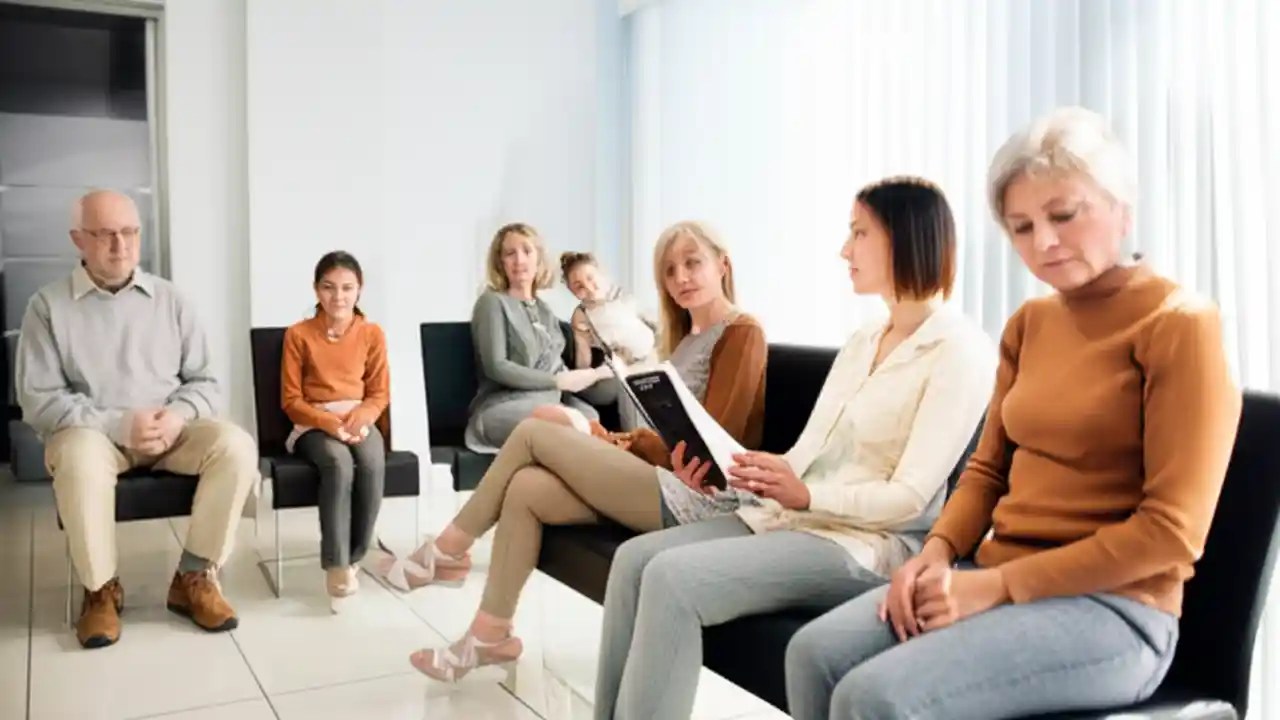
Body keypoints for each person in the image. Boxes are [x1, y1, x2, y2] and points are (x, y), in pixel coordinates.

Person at [784, 107, 1242, 720]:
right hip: (994, 576)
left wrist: (994, 586)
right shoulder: (1032, 323)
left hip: (1116, 613)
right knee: (813, 653)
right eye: (1021, 227)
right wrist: (937, 554)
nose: (1043, 242)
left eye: (1063, 215)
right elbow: (987, 472)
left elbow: (1172, 533)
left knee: (875, 699)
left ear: (1122, 207)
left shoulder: (1180, 325)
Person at [592, 178, 997, 720]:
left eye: (858, 233)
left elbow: (910, 499)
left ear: (904, 238)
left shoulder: (960, 351)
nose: (844, 250)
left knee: (671, 579)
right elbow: (805, 454)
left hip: (868, 544)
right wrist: (727, 469)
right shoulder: (863, 341)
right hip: (796, 517)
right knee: (633, 559)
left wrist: (805, 496)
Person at [404, 220, 768, 681]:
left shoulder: (742, 332)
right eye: (670, 270)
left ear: (723, 265)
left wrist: (597, 435)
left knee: (536, 433)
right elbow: (667, 439)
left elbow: (711, 446)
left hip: (703, 499)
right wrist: (609, 436)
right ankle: (489, 635)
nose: (681, 278)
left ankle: (445, 552)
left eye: (692, 263)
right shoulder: (686, 340)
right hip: (665, 479)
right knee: (527, 487)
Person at [15, 190, 259, 649]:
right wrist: (116, 425)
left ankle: (194, 577)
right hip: (97, 437)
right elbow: (39, 400)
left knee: (236, 445)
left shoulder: (171, 300)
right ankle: (101, 591)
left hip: (171, 433)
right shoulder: (46, 307)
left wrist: (179, 415)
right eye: (105, 234)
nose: (120, 245)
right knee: (79, 454)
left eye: (129, 232)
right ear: (78, 240)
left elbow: (205, 382)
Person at [281, 251, 389, 611]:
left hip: (358, 417)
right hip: (313, 422)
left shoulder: (372, 334)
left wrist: (363, 415)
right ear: (316, 290)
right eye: (328, 288)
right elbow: (291, 400)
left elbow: (379, 393)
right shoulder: (298, 335)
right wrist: (330, 423)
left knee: (372, 462)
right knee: (338, 463)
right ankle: (336, 564)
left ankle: (355, 555)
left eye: (347, 288)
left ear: (359, 291)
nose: (338, 297)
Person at [464, 223, 611, 449]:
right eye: (510, 253)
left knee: (591, 419)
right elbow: (496, 366)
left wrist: (593, 373)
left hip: (551, 400)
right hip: (503, 407)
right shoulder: (492, 302)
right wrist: (556, 381)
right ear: (500, 262)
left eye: (527, 251)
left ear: (538, 259)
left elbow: (557, 366)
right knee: (570, 422)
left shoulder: (545, 310)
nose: (519, 260)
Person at [536, 251, 658, 431]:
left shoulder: (624, 297)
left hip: (651, 356)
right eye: (579, 286)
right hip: (620, 368)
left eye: (591, 278)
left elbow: (655, 326)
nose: (589, 288)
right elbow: (583, 364)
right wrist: (580, 335)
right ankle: (633, 440)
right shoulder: (582, 315)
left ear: (601, 274)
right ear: (573, 293)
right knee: (629, 382)